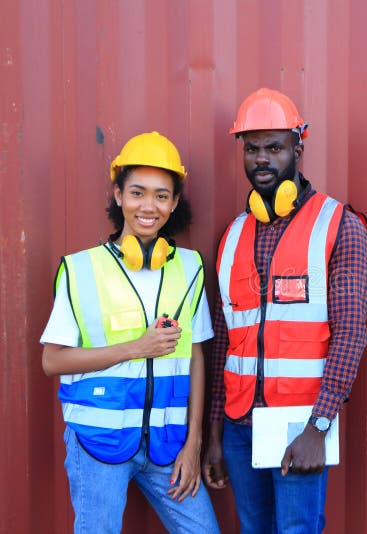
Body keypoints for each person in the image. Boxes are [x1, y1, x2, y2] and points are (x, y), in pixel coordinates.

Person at [202, 88, 367, 533]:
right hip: (239, 426)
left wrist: (319, 427)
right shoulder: (232, 235)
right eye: (252, 148)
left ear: (298, 147)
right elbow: (224, 339)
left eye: (274, 147)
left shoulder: (340, 225)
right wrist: (214, 434)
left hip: (301, 423)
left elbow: (351, 333)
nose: (262, 159)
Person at [40, 131, 220, 534]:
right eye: (137, 192)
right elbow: (52, 360)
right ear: (118, 195)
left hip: (167, 446)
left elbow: (195, 357)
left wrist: (193, 445)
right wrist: (137, 347)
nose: (148, 206)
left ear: (174, 204)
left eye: (161, 195)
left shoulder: (190, 268)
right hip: (97, 443)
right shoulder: (80, 269)